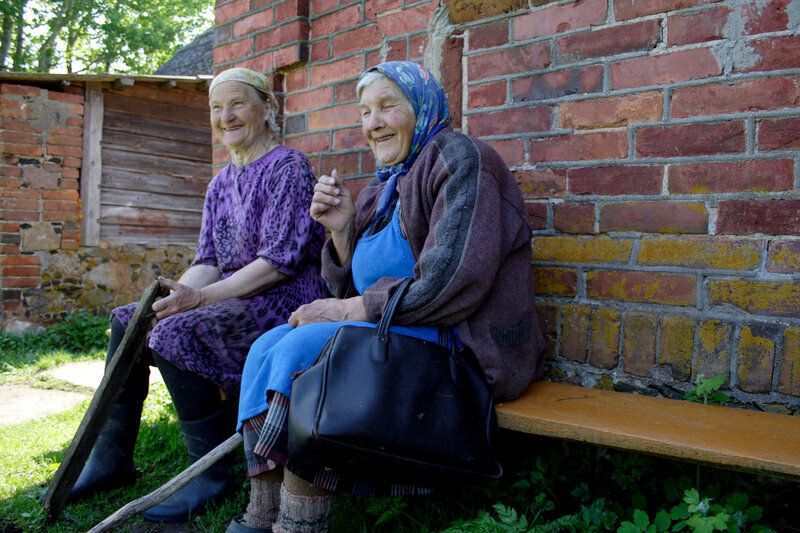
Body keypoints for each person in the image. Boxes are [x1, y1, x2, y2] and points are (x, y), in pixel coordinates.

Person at [225, 61, 546, 533]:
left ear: (421, 106)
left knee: (303, 352)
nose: (372, 123)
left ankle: (299, 524)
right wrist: (340, 233)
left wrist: (343, 309)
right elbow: (357, 285)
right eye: (364, 112)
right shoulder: (385, 186)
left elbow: (455, 279)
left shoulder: (460, 158)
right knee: (265, 347)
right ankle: (263, 510)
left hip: (464, 343)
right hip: (402, 330)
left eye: (386, 107)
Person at [67, 68, 329, 523]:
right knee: (130, 320)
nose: (225, 116)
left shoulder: (289, 167)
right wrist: (175, 296)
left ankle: (209, 471)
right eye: (215, 107)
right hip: (235, 296)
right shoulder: (220, 183)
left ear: (268, 108)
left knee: (177, 333)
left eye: (237, 103)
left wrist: (198, 303)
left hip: (283, 302)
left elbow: (278, 263)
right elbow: (208, 259)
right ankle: (111, 459)